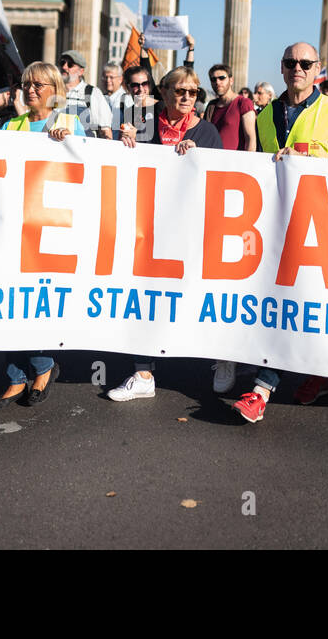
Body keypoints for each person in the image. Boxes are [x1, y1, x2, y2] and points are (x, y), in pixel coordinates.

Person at [229, 42, 328, 420]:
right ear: (282, 68)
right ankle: (312, 375)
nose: (297, 68)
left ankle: (262, 389)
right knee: (283, 304)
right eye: (290, 62)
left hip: (320, 226)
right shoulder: (265, 113)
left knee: (303, 302)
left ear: (317, 68)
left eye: (305, 63)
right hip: (274, 225)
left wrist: (309, 164)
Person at [0, 62, 80, 410]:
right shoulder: (10, 124)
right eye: (27, 84)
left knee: (38, 301)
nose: (31, 90)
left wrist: (69, 144)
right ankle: (15, 378)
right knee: (11, 302)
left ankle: (43, 369)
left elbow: (86, 168)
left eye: (39, 84)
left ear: (55, 88)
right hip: (14, 224)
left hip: (50, 226)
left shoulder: (70, 123)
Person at [107, 67, 222, 402]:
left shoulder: (208, 132)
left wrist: (199, 158)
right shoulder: (141, 122)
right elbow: (119, 167)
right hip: (149, 226)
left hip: (190, 229)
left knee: (200, 296)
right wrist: (122, 142)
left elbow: (221, 180)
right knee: (146, 295)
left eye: (193, 92)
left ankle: (223, 356)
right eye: (180, 91)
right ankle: (143, 373)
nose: (187, 98)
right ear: (165, 92)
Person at [57, 50, 113, 138]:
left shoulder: (93, 93)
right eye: (62, 63)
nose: (64, 67)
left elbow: (106, 130)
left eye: (70, 64)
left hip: (82, 149)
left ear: (81, 71)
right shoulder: (52, 91)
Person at [205, 63, 257, 152]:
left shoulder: (243, 103)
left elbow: (251, 139)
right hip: (212, 160)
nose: (217, 82)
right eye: (213, 79)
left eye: (222, 78)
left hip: (235, 162)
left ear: (231, 80)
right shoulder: (211, 106)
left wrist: (247, 164)